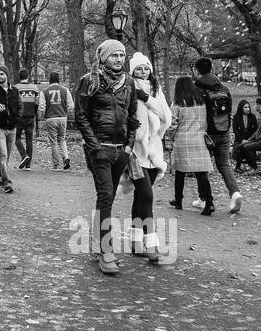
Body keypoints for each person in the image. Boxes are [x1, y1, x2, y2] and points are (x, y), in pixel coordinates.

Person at [74, 39, 139, 276]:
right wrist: (95, 146)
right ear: (103, 57)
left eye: (122, 56)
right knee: (104, 196)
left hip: (121, 150)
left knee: (108, 198)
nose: (119, 60)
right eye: (114, 56)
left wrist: (129, 145)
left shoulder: (128, 82)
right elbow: (80, 116)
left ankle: (96, 243)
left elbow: (133, 115)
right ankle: (105, 251)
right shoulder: (89, 80)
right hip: (99, 149)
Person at [127, 52, 171, 263]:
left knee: (140, 197)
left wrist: (146, 98)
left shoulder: (155, 90)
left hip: (154, 150)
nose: (143, 72)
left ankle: (135, 243)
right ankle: (152, 245)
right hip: (135, 152)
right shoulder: (127, 87)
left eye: (146, 68)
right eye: (138, 68)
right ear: (132, 70)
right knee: (147, 195)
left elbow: (165, 116)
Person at [194, 57, 243, 214]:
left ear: (196, 70)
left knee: (201, 167)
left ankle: (204, 199)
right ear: (212, 69)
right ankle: (235, 193)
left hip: (206, 134)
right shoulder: (224, 88)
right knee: (224, 165)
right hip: (224, 131)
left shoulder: (197, 89)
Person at [164, 76, 214, 213]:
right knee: (201, 173)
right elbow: (205, 122)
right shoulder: (201, 103)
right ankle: (209, 202)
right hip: (199, 140)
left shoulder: (177, 104)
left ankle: (178, 200)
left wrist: (171, 137)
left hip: (182, 140)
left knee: (180, 172)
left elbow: (172, 125)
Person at [41, 72, 73, 170]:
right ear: (58, 79)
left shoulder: (44, 91)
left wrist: (43, 116)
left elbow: (42, 107)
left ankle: (56, 164)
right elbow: (71, 105)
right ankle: (66, 157)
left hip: (51, 118)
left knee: (53, 141)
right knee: (62, 139)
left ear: (49, 79)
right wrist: (66, 112)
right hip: (63, 117)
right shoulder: (65, 90)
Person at [235, 96, 261, 170]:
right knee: (241, 146)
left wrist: (260, 136)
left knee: (246, 147)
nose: (254, 106)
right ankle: (240, 167)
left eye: (256, 104)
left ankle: (254, 167)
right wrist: (249, 140)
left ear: (259, 105)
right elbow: (257, 131)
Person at [13, 68, 41, 170]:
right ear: (28, 76)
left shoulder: (16, 88)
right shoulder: (34, 88)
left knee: (16, 139)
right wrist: (34, 113)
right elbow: (37, 103)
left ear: (19, 76)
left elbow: (14, 103)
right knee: (29, 140)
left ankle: (24, 155)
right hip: (31, 117)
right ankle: (28, 165)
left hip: (20, 117)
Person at [231, 100, 259, 169]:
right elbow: (235, 131)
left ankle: (252, 166)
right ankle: (252, 166)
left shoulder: (252, 116)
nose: (248, 109)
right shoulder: (236, 117)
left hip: (250, 139)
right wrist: (242, 140)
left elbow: (255, 130)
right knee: (240, 147)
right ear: (241, 108)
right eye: (245, 107)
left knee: (246, 147)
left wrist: (249, 140)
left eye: (248, 107)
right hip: (239, 139)